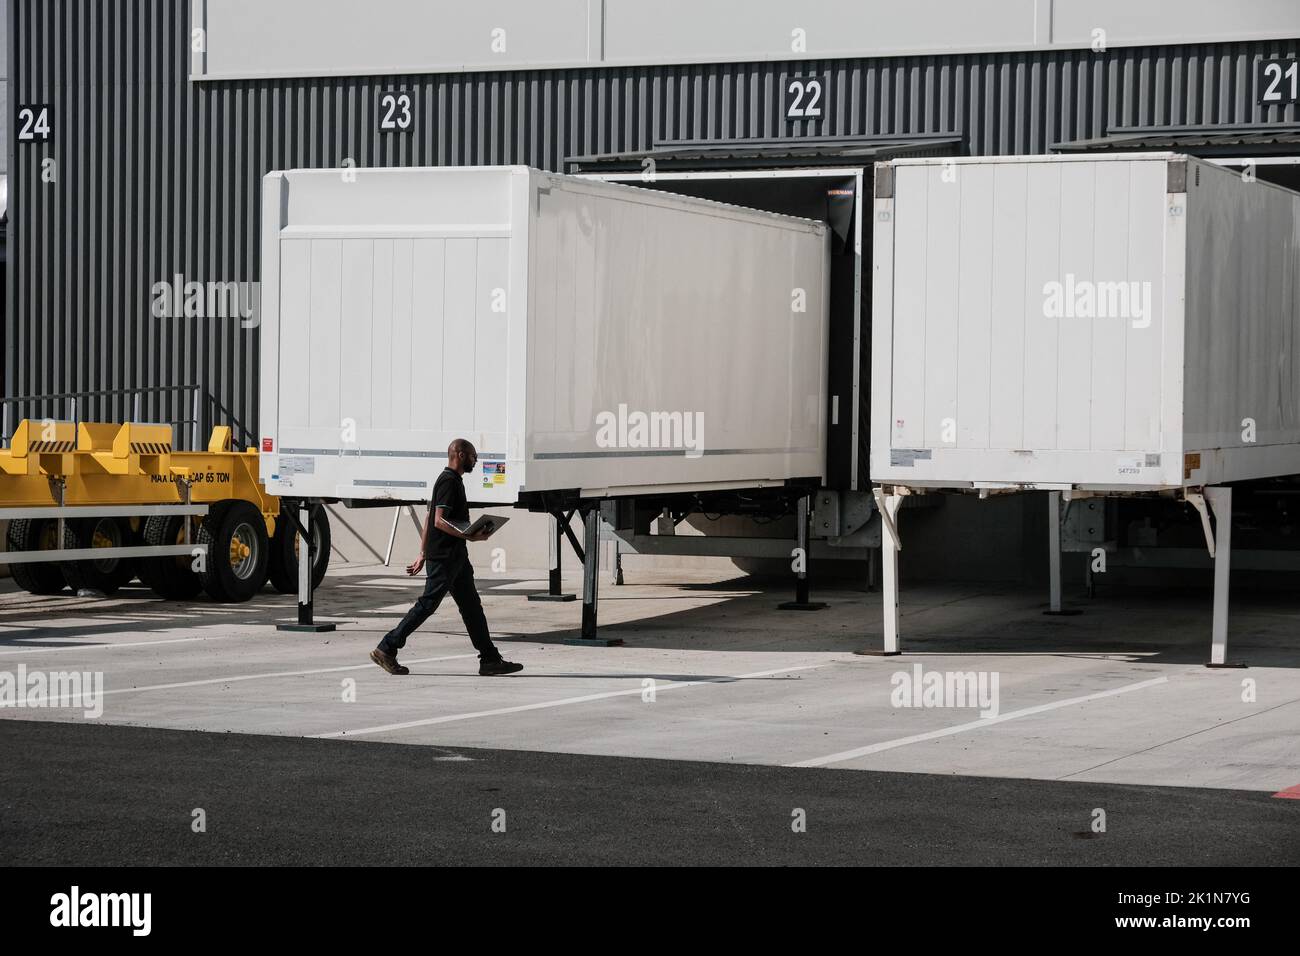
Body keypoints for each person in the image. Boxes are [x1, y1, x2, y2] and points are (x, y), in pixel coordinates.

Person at [370, 439, 523, 677]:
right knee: (428, 604)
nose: (476, 460)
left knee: (472, 607)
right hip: (445, 556)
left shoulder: (451, 481)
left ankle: (490, 659)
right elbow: (438, 520)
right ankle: (387, 647)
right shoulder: (448, 481)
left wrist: (422, 553)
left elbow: (430, 515)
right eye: (473, 456)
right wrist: (470, 536)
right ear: (460, 455)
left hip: (455, 556)